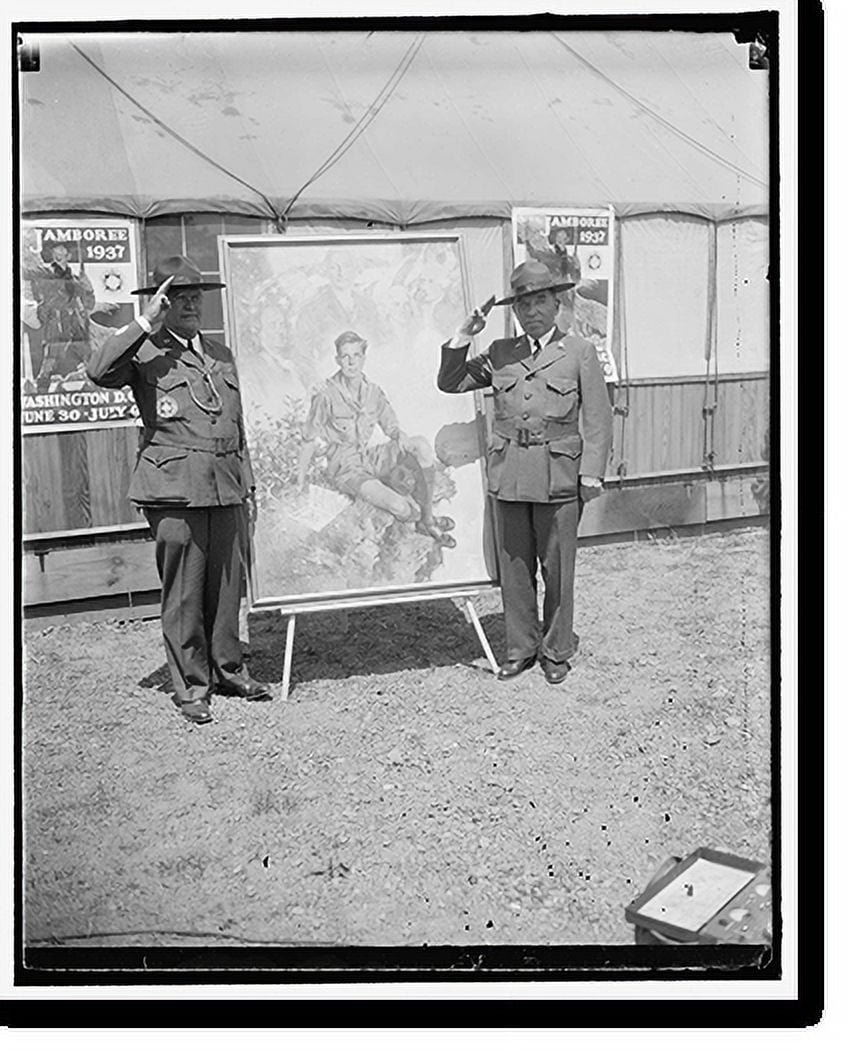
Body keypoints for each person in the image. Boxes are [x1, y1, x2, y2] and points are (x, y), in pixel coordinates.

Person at [86, 255, 272, 724]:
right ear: (161, 303)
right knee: (186, 590)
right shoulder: (146, 352)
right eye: (178, 297)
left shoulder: (221, 355)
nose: (190, 305)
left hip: (225, 485)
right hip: (174, 487)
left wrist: (246, 482)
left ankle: (228, 668)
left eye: (196, 297)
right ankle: (192, 685)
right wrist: (143, 324)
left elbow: (237, 423)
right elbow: (98, 371)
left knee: (227, 587)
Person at [438, 260, 613, 685]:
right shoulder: (501, 353)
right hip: (510, 473)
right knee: (514, 568)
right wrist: (463, 335)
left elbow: (598, 418)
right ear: (515, 312)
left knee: (557, 567)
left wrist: (591, 473)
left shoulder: (579, 352)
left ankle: (556, 650)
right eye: (524, 304)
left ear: (557, 305)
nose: (532, 311)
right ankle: (520, 648)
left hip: (559, 475)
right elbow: (451, 381)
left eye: (540, 301)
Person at [297, 330, 456, 547]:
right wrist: (300, 483)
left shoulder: (373, 392)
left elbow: (392, 427)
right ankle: (419, 520)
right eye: (345, 357)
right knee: (400, 507)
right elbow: (308, 440)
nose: (351, 362)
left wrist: (400, 436)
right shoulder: (326, 395)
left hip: (368, 458)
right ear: (338, 360)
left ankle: (427, 518)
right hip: (346, 470)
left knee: (420, 444)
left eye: (356, 356)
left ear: (363, 358)